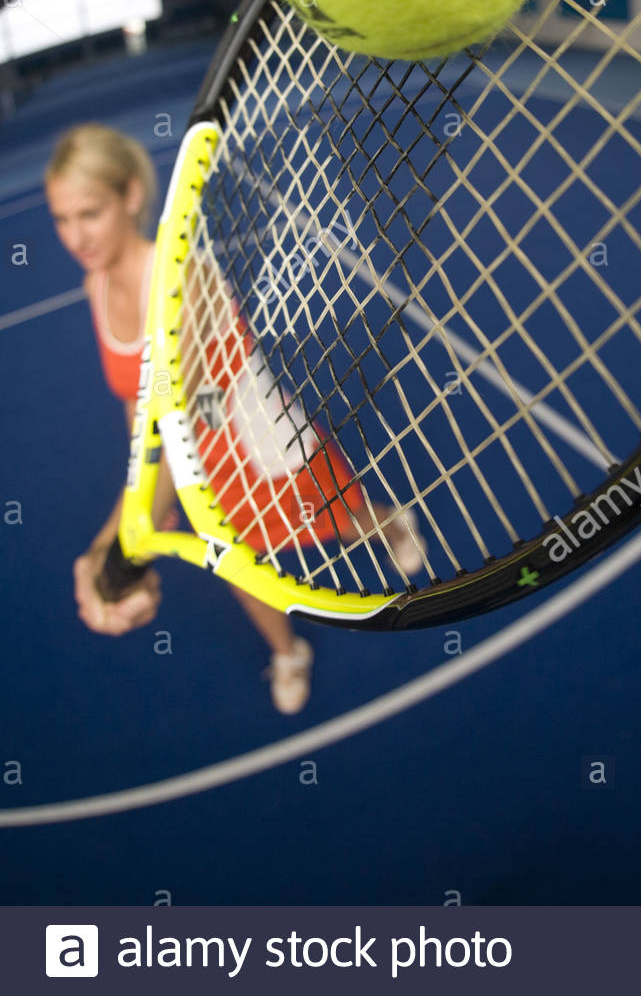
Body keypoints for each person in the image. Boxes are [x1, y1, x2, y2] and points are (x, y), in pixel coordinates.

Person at [45, 124, 422, 713]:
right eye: (61, 219)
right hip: (197, 467)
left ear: (131, 196)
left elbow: (172, 426)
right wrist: (131, 516)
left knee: (344, 516)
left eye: (89, 214)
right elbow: (140, 412)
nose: (75, 237)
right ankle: (289, 653)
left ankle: (394, 524)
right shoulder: (96, 286)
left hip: (258, 443)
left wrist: (113, 545)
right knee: (243, 571)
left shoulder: (181, 280)